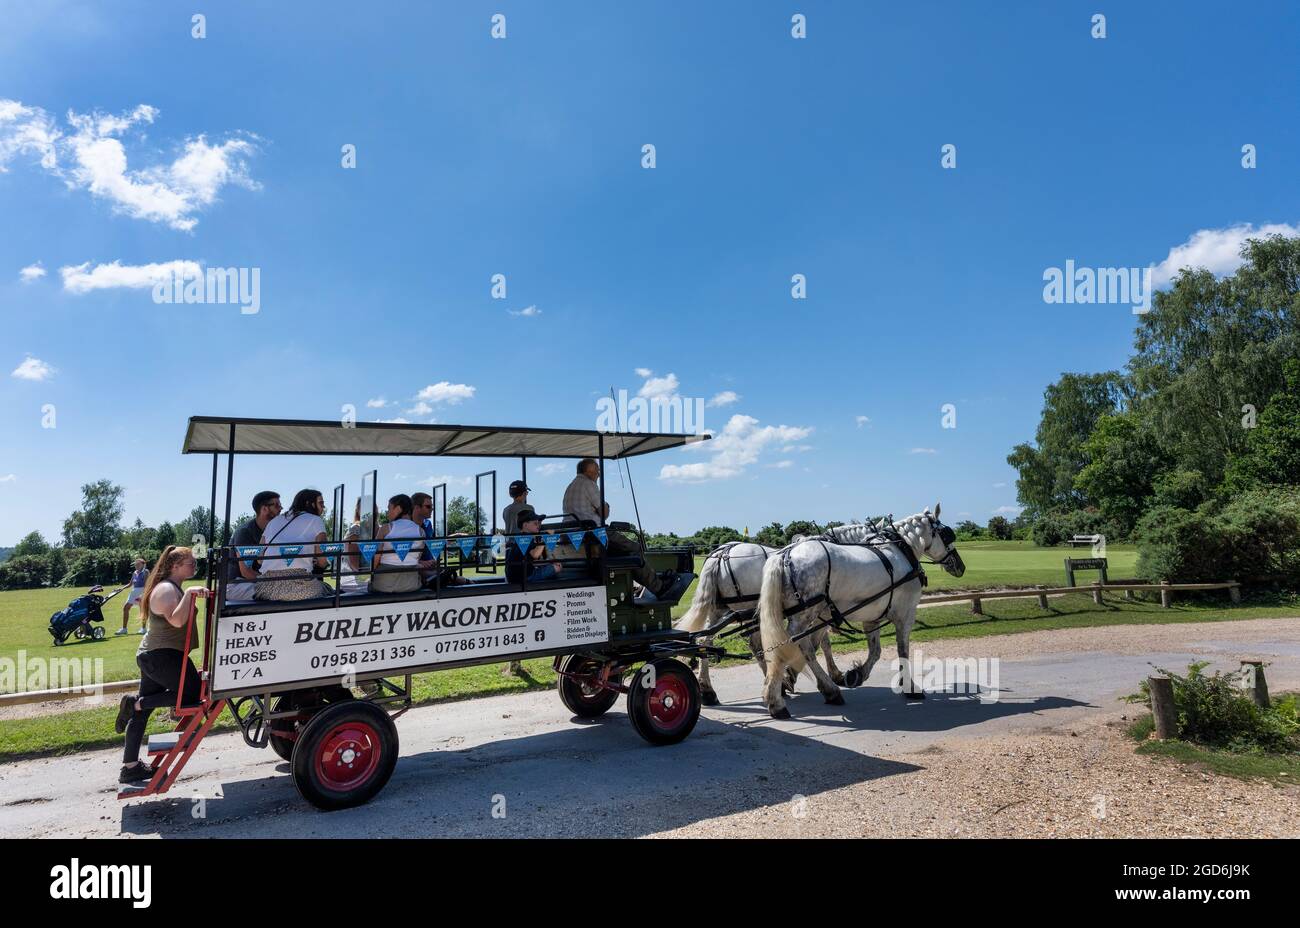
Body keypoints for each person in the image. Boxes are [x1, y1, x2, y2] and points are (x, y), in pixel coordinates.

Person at [115, 545, 206, 784]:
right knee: (195, 693)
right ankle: (136, 702)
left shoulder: (172, 587)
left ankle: (130, 767)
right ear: (175, 566)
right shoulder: (166, 589)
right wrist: (190, 594)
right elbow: (176, 621)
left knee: (143, 713)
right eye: (190, 563)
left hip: (157, 655)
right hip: (161, 656)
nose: (194, 566)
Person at [562, 458, 673, 596]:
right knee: (635, 548)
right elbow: (604, 513)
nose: (598, 475)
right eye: (597, 471)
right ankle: (658, 587)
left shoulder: (570, 487)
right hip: (595, 534)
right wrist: (606, 505)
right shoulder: (588, 484)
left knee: (626, 552)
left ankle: (649, 581)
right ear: (588, 471)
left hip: (576, 535)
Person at [256, 488, 330, 601]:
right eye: (321, 503)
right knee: (328, 589)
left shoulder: (274, 521)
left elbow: (259, 558)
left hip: (265, 588)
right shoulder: (316, 520)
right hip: (298, 585)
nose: (323, 507)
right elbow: (322, 558)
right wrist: (321, 564)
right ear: (309, 504)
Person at [223, 490, 281, 602]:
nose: (281, 509)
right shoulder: (245, 532)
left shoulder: (271, 532)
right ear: (264, 509)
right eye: (277, 505)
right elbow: (246, 572)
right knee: (283, 592)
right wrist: (273, 582)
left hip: (252, 583)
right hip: (236, 585)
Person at [370, 494, 426, 594]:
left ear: (399, 508)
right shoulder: (421, 531)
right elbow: (417, 559)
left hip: (384, 584)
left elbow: (376, 558)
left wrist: (370, 575)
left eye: (389, 508)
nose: (387, 513)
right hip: (411, 584)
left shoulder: (385, 529)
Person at [504, 509, 563, 583]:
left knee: (550, 566)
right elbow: (535, 555)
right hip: (524, 578)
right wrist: (546, 538)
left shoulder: (521, 538)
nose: (538, 526)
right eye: (535, 523)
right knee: (557, 567)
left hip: (516, 577)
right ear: (525, 525)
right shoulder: (525, 538)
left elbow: (532, 560)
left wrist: (548, 563)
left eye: (539, 523)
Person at [116, 558, 149, 635]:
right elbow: (130, 584)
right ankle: (124, 629)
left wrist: (143, 594)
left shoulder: (146, 572)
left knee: (142, 610)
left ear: (143, 564)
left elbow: (147, 584)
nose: (136, 566)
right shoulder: (134, 573)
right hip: (134, 592)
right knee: (126, 608)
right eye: (135, 564)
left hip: (142, 592)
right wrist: (121, 588)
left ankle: (143, 629)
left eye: (138, 564)